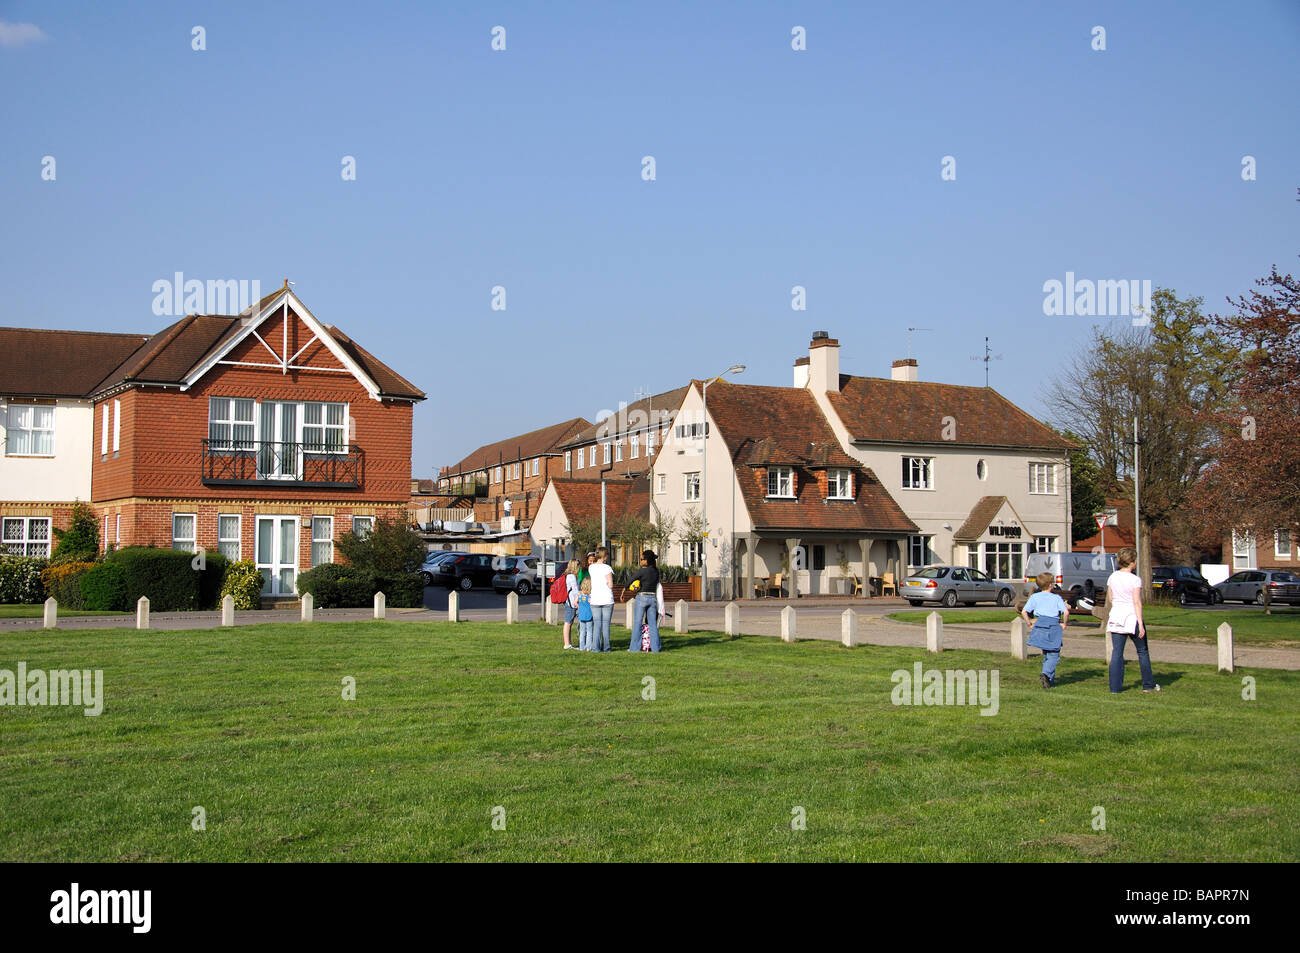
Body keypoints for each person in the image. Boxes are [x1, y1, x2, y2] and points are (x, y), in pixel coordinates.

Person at [1106, 547, 1159, 694]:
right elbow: (1137, 602)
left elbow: (1111, 598)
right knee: (1142, 651)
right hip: (1131, 617)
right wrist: (1140, 624)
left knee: (1117, 652)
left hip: (1116, 616)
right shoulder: (1135, 580)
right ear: (1132, 563)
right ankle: (1148, 685)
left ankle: (1115, 688)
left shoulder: (1112, 577)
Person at [1021, 571, 1069, 689]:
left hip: (1040, 623)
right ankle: (1046, 674)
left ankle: (1049, 681)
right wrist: (1064, 623)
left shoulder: (1034, 597)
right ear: (1051, 585)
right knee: (1054, 654)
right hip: (1053, 625)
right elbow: (1066, 612)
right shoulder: (1056, 598)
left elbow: (1024, 611)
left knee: (1047, 652)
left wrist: (1029, 624)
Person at [624, 549, 662, 653]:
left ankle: (634, 648)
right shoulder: (656, 572)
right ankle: (655, 648)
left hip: (642, 597)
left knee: (637, 623)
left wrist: (625, 589)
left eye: (641, 559)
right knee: (653, 624)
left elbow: (630, 581)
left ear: (646, 561)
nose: (640, 561)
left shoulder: (642, 570)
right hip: (652, 598)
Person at [588, 548, 615, 652]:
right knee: (606, 624)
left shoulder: (591, 567)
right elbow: (611, 584)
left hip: (595, 598)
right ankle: (606, 647)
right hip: (607, 598)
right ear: (605, 556)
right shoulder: (607, 568)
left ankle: (595, 647)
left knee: (597, 624)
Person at [561, 558, 581, 650]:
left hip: (570, 602)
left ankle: (569, 643)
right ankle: (566, 643)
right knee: (568, 622)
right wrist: (578, 600)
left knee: (569, 622)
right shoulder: (572, 577)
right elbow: (575, 590)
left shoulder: (568, 576)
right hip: (571, 603)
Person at [577, 578, 594, 651]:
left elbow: (575, 602)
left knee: (582, 632)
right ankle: (588, 647)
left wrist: (579, 607)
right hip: (589, 615)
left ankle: (581, 647)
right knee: (589, 632)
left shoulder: (579, 594)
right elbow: (592, 604)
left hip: (581, 615)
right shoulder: (590, 596)